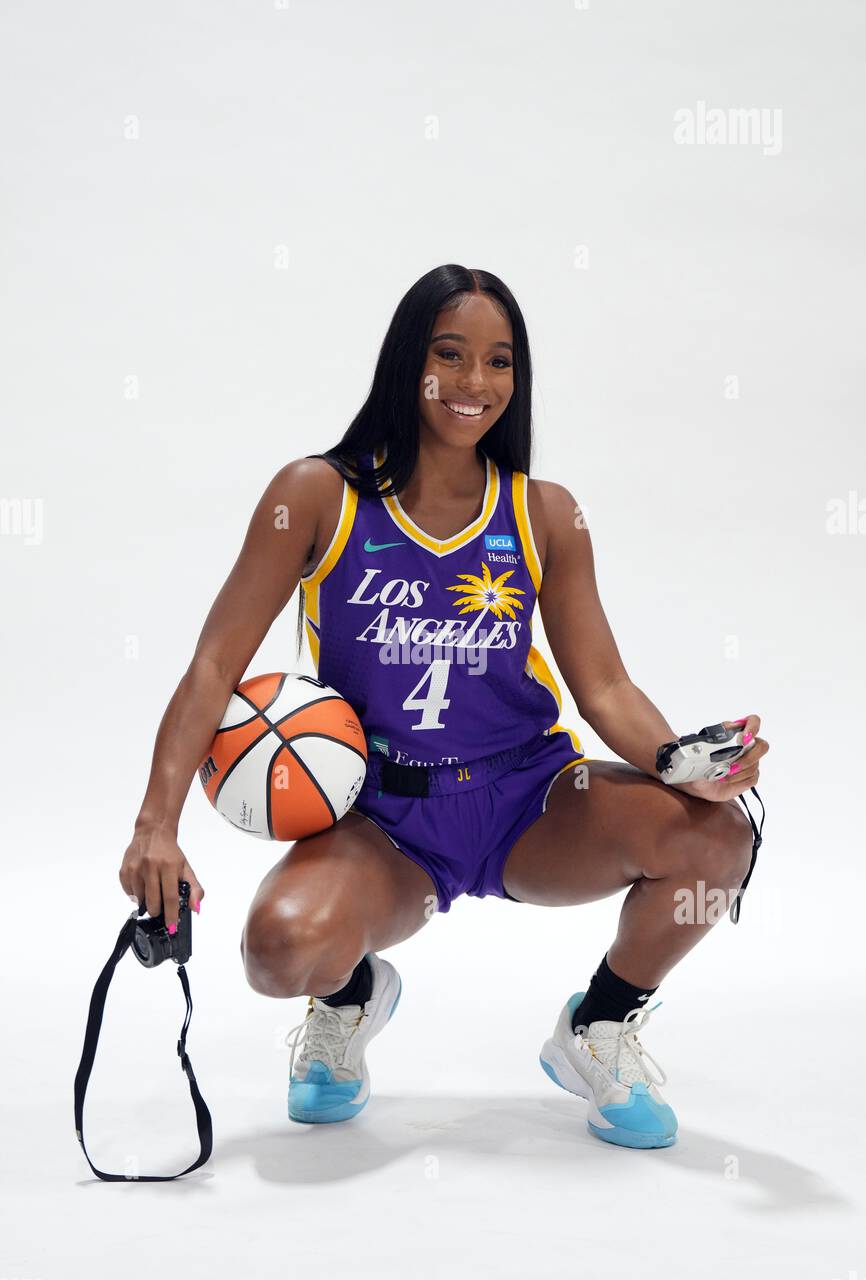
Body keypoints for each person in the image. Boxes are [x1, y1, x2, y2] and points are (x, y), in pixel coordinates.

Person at [119, 264, 769, 1151]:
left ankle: (598, 1028)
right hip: (382, 820)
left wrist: (678, 762)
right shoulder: (316, 494)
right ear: (406, 363)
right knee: (276, 952)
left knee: (719, 835)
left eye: (499, 361)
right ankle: (349, 997)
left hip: (529, 802)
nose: (475, 383)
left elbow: (606, 686)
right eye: (450, 355)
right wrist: (157, 822)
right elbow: (212, 665)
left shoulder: (544, 514)